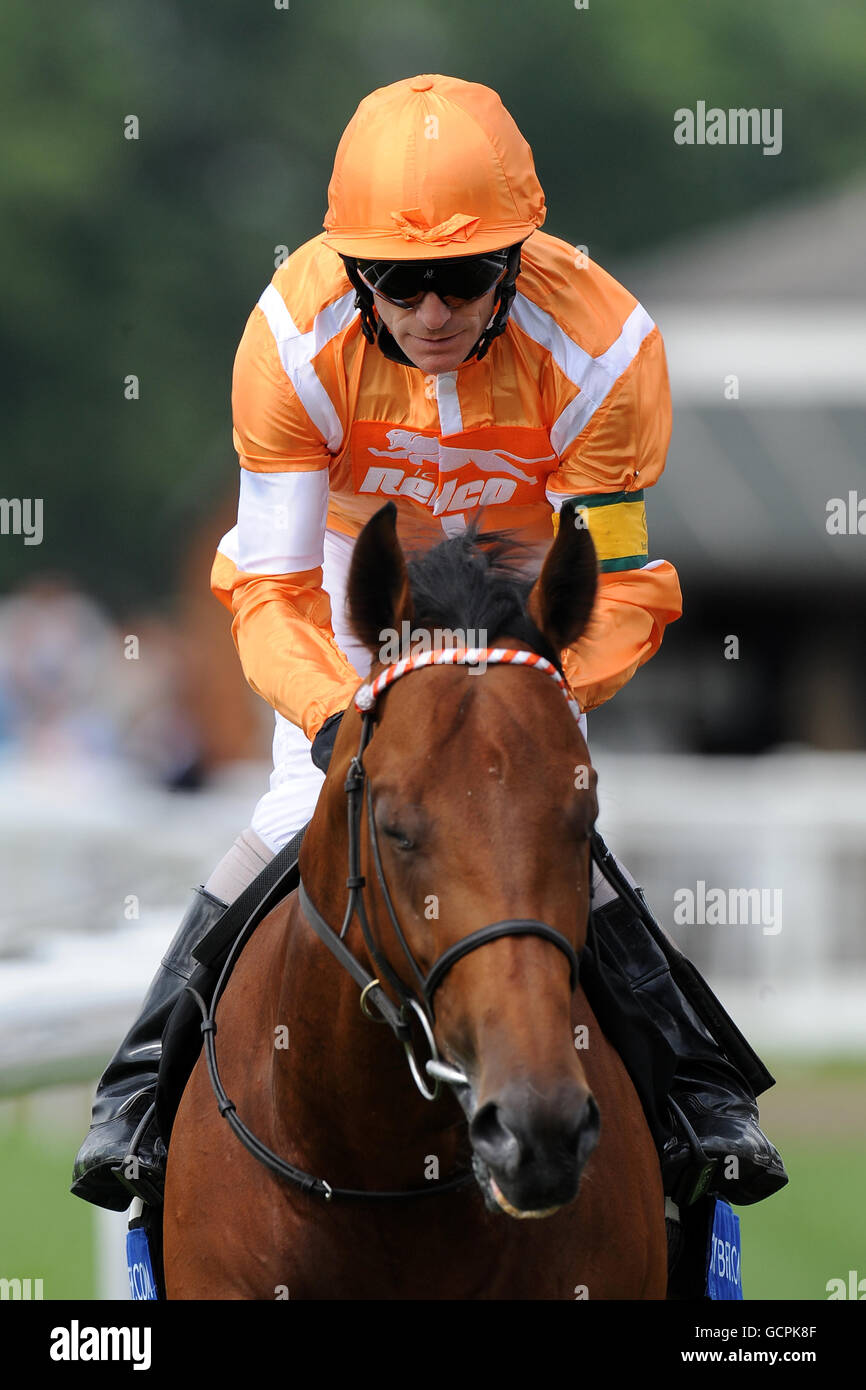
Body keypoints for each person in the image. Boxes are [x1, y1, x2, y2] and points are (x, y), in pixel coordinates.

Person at [72, 73, 786, 1214]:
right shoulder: (290, 339)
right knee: (284, 817)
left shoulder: (605, 347)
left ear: (516, 259)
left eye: (461, 277)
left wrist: (533, 685)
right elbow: (268, 588)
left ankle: (700, 1095)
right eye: (395, 283)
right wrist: (338, 714)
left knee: (539, 828)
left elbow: (615, 584)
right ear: (349, 270)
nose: (431, 312)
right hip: (362, 594)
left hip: (517, 613)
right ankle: (139, 1090)